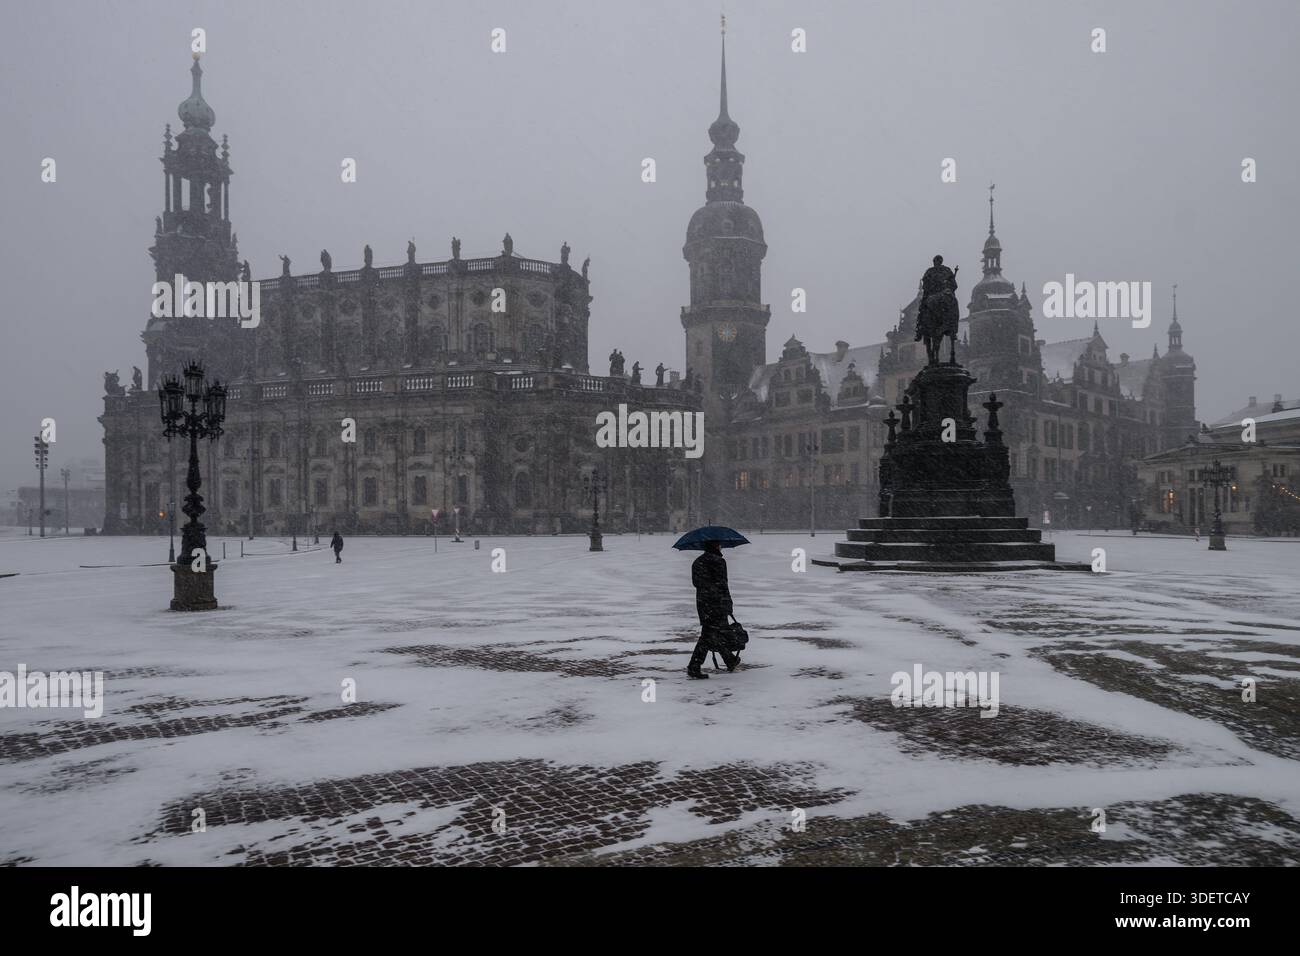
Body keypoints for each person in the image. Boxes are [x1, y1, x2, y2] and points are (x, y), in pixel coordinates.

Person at [689, 540, 739, 679]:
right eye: (719, 544)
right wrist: (727, 603)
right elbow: (723, 584)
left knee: (714, 633)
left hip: (703, 604)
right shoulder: (719, 562)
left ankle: (730, 659)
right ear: (715, 546)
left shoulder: (697, 562)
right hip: (717, 604)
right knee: (710, 635)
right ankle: (694, 667)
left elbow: (696, 583)